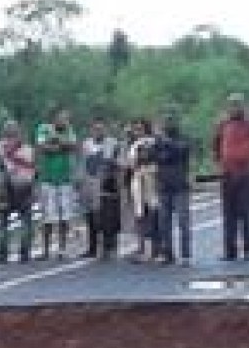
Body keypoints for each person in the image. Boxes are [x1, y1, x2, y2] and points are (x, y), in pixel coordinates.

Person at [212, 93, 249, 262]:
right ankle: (230, 250)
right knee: (228, 214)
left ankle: (248, 250)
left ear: (244, 107)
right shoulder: (223, 125)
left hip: (247, 174)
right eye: (232, 105)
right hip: (228, 174)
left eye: (238, 105)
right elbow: (215, 144)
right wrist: (220, 161)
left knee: (247, 214)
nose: (235, 108)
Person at [0, 118, 37, 264]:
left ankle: (10, 254)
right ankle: (19, 253)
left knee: (9, 222)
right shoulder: (25, 150)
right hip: (14, 188)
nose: (11, 137)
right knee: (19, 221)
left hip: (15, 188)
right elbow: (32, 171)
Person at [34, 114, 81, 260]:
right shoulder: (43, 128)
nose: (63, 121)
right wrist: (60, 145)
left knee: (64, 216)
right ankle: (45, 250)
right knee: (47, 217)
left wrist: (57, 141)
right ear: (53, 119)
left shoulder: (69, 129)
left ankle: (62, 249)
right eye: (60, 118)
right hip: (47, 179)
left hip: (65, 178)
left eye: (65, 119)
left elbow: (73, 146)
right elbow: (43, 148)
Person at [150, 112, 194, 264]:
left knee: (183, 221)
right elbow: (154, 156)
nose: (167, 125)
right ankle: (168, 253)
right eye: (165, 122)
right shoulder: (158, 142)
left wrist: (165, 144)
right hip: (163, 185)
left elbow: (180, 150)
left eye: (170, 122)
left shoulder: (182, 138)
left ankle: (186, 255)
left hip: (180, 186)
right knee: (164, 222)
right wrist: (162, 147)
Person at [78, 116, 124, 259]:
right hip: (89, 181)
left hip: (107, 183)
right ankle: (92, 247)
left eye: (101, 128)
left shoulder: (113, 143)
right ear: (91, 130)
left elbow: (119, 162)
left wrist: (116, 178)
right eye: (95, 129)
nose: (98, 131)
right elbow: (83, 163)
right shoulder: (86, 144)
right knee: (90, 215)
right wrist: (80, 181)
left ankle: (109, 246)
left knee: (107, 216)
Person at [123, 117, 160, 261]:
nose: (138, 131)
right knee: (139, 214)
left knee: (152, 212)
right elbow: (131, 163)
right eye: (136, 129)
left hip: (151, 177)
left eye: (140, 128)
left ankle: (155, 248)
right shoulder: (134, 144)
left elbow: (154, 159)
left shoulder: (153, 141)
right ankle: (141, 247)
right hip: (137, 178)